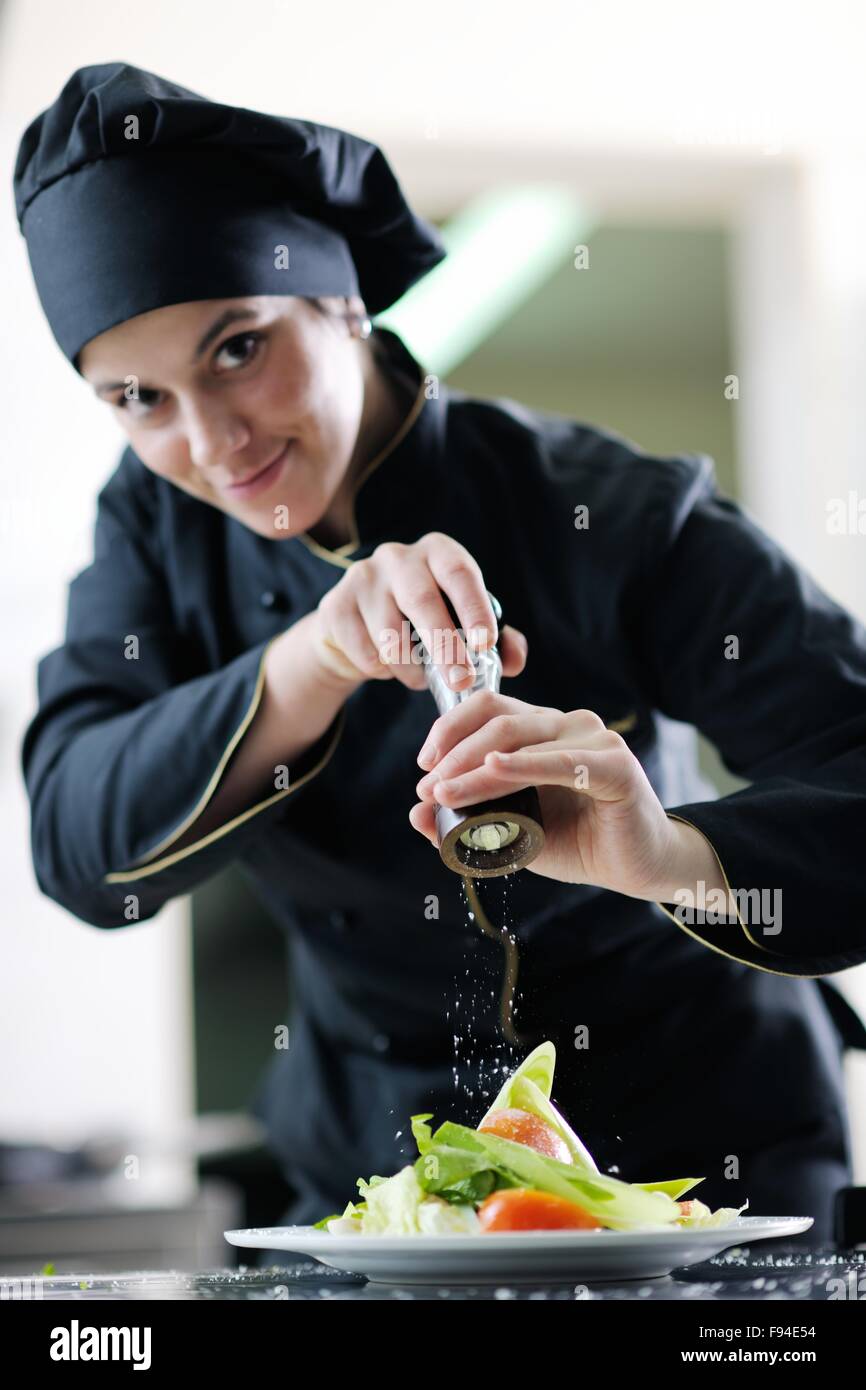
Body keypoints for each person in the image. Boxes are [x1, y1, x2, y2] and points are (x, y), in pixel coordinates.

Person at [14, 62, 866, 1244]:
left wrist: (668, 851)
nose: (213, 444)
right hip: (382, 1182)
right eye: (137, 399)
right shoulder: (151, 535)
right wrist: (308, 659)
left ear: (343, 301)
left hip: (704, 1153)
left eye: (235, 350)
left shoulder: (603, 510)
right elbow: (73, 844)